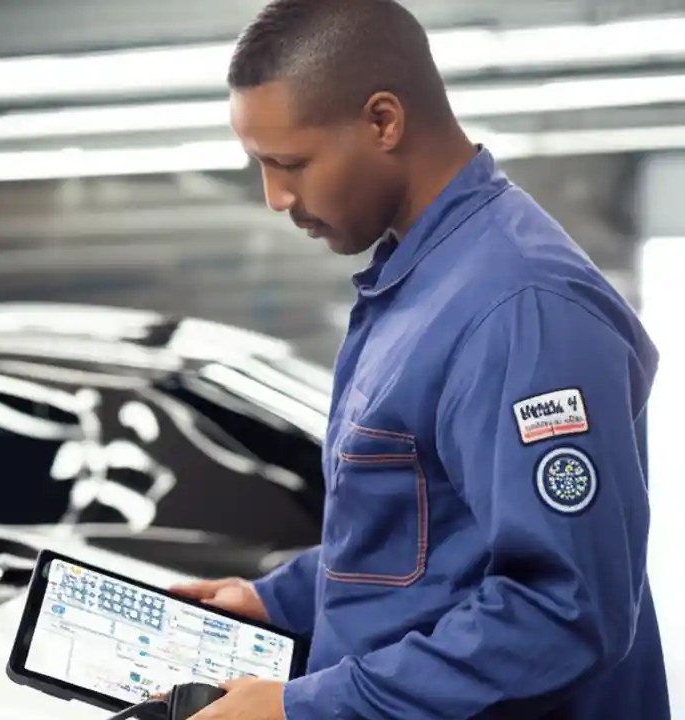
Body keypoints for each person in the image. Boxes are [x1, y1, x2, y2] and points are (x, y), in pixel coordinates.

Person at [170, 1, 671, 718]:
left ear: (383, 121)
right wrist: (276, 599)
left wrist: (300, 710)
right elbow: (429, 546)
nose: (275, 197)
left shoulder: (520, 308)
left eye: (290, 164)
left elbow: (562, 611)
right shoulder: (419, 279)